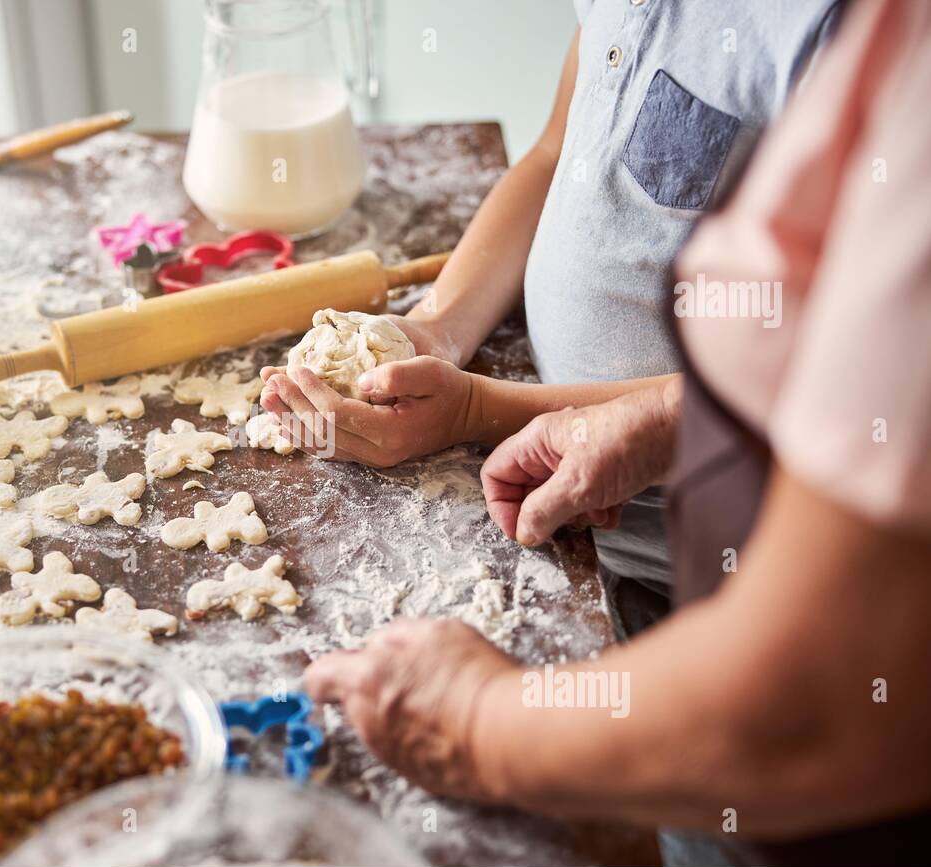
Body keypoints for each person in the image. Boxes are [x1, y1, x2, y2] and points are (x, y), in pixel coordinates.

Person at [304, 0, 931, 864]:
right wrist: (438, 328)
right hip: (609, 538)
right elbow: (559, 151)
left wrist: (476, 725)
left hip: (728, 620)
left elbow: (809, 710)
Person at [262, 0, 845, 639]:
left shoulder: (840, 33)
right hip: (556, 513)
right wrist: (436, 326)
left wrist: (473, 411)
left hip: (711, 580)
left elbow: (841, 378)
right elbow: (549, 156)